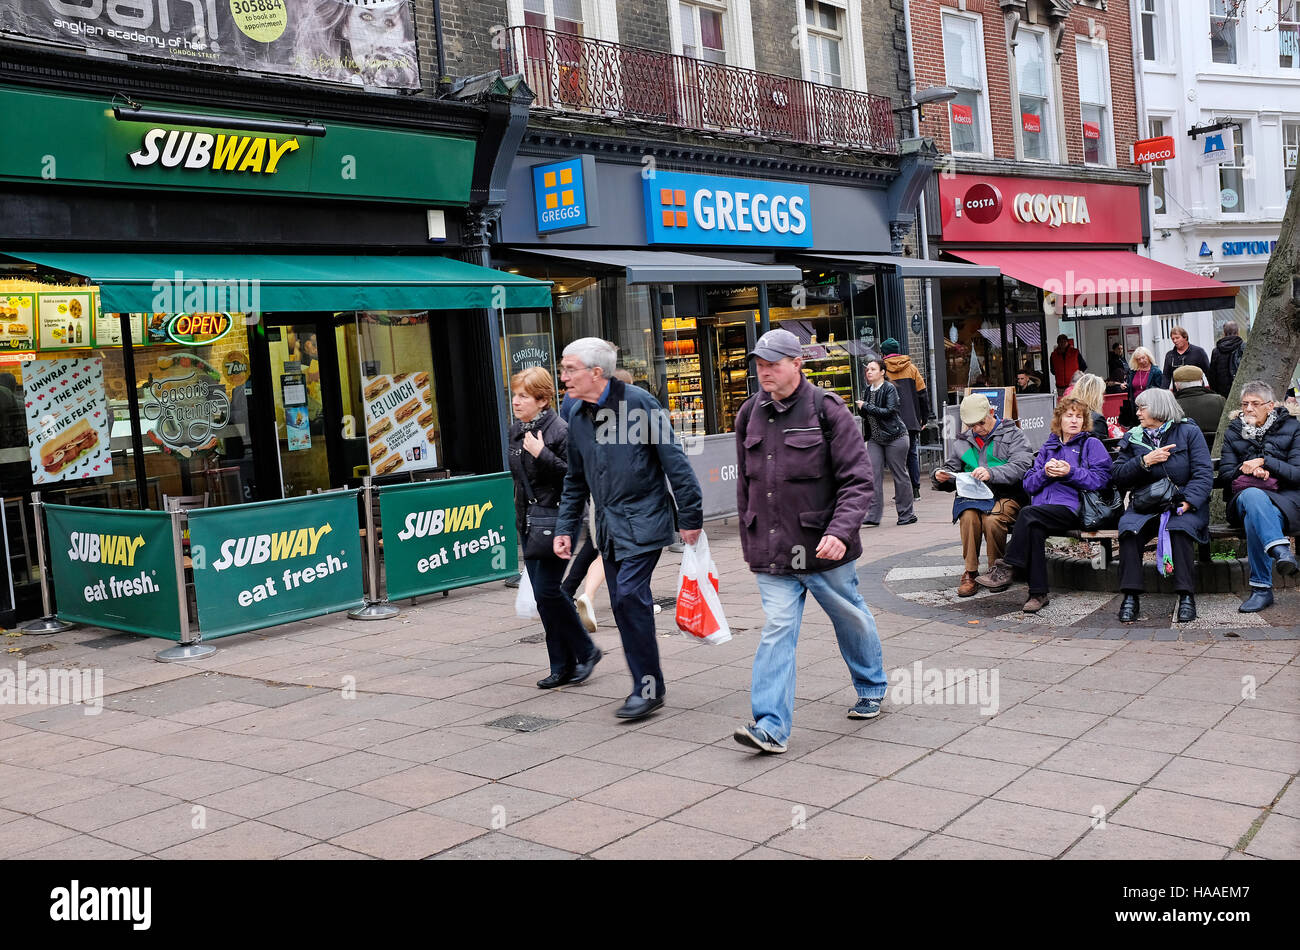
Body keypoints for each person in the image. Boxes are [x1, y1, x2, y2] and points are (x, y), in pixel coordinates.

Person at [732, 328, 887, 754]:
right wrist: (750, 538)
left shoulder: (827, 409)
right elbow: (747, 485)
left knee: (850, 617)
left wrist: (840, 532)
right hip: (774, 552)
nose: (764, 373)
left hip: (822, 548)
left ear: (797, 364)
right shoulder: (748, 413)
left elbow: (859, 481)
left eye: (772, 365)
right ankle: (770, 726)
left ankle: (871, 684)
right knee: (777, 630)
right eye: (759, 365)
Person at [555, 338, 703, 720]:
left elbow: (675, 461)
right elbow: (575, 478)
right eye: (563, 369)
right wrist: (565, 528)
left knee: (628, 599)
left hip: (645, 520)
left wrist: (690, 517)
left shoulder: (638, 403)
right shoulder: (575, 413)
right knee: (625, 605)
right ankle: (648, 684)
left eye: (570, 369)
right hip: (608, 527)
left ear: (596, 373)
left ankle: (647, 689)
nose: (564, 376)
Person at [507, 367, 602, 688]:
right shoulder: (516, 430)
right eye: (515, 395)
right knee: (543, 596)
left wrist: (542, 454)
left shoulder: (561, 430)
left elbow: (575, 478)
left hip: (559, 521)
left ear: (543, 400)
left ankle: (587, 651)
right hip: (529, 522)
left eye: (523, 396)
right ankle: (561, 664)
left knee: (550, 592)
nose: (516, 402)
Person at [975, 397, 1113, 612]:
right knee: (1034, 528)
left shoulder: (1091, 444)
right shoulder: (1048, 446)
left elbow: (1102, 480)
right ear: (1060, 419)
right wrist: (1045, 473)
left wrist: (1070, 472)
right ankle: (1038, 594)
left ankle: (1007, 565)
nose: (1074, 421)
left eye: (1079, 416)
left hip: (1074, 510)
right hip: (1042, 512)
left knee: (1029, 515)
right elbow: (1029, 485)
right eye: (1069, 416)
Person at [1111, 387, 1213, 624]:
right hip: (1146, 505)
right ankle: (1130, 596)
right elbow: (1117, 475)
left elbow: (1203, 473)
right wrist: (1144, 461)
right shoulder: (1133, 436)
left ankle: (1186, 596)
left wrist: (1188, 501)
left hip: (1182, 503)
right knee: (1129, 530)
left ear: (1159, 408)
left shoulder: (1188, 431)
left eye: (1141, 407)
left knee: (1180, 530)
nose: (1137, 413)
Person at [558, 368, 638, 631]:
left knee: (598, 545)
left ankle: (578, 592)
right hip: (607, 495)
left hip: (599, 492)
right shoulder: (584, 411)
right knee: (605, 546)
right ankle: (581, 593)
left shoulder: (575, 407)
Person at [932, 393, 1034, 597]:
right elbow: (952, 468)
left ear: (991, 412)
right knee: (968, 515)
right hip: (974, 496)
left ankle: (997, 570)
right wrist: (940, 476)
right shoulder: (963, 441)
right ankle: (970, 572)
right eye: (971, 425)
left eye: (980, 423)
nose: (976, 429)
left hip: (1006, 494)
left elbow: (1023, 466)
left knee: (992, 519)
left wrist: (992, 473)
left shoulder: (1013, 434)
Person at [1218, 381, 1300, 613]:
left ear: (1270, 406)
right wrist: (1248, 469)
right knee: (1253, 496)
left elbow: (1297, 473)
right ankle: (1280, 550)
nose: (1249, 409)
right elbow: (1225, 474)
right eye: (1245, 404)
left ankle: (1262, 590)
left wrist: (1266, 463)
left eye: (1255, 404)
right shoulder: (1235, 430)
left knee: (1255, 518)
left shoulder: (1293, 428)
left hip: (1285, 501)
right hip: (1242, 499)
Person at [858, 358, 916, 526]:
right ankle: (873, 515)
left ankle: (906, 514)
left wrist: (866, 407)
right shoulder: (867, 390)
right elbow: (867, 416)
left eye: (873, 369)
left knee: (899, 475)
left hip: (895, 437)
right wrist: (864, 409)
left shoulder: (889, 388)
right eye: (867, 369)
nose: (869, 372)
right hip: (876, 439)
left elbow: (890, 411)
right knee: (872, 475)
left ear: (882, 372)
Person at [881, 338, 931, 498]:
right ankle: (915, 490)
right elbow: (922, 394)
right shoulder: (912, 369)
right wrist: (925, 417)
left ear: (884, 353)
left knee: (895, 457)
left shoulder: (882, 371)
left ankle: (901, 492)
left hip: (890, 420)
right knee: (912, 453)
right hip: (910, 420)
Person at [1171, 366, 1226, 443]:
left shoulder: (1172, 405)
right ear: (1201, 381)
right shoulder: (1219, 400)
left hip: (1186, 451)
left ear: (1176, 385)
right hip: (1217, 448)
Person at [1208, 322, 1245, 398]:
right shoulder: (1244, 348)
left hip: (1222, 393)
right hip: (1241, 391)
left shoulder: (1216, 351)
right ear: (1238, 332)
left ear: (1224, 333)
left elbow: (1212, 375)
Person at [1070, 373, 1111, 440]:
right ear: (1095, 396)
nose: (1103, 398)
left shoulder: (1067, 415)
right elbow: (1099, 448)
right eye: (1101, 394)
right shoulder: (1096, 419)